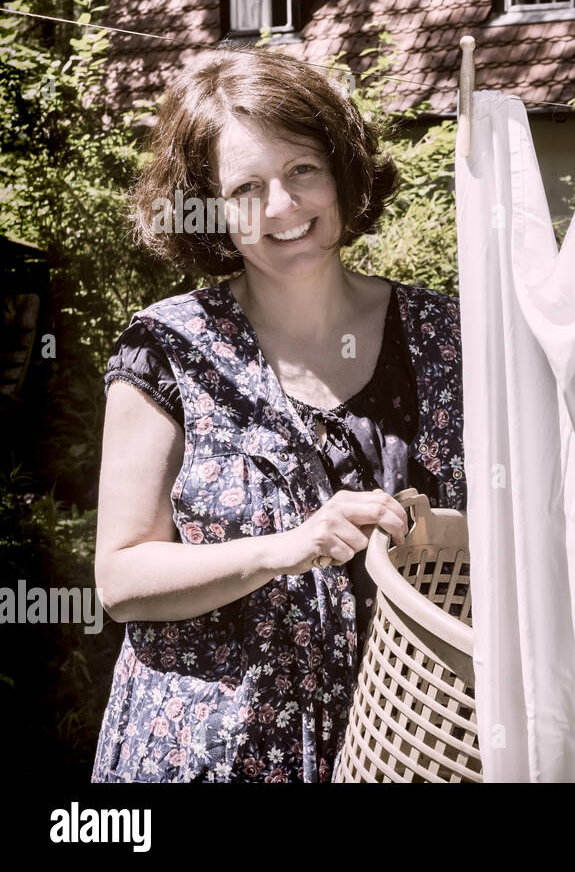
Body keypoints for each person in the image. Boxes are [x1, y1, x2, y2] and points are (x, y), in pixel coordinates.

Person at [90, 49, 465, 782]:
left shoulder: (445, 335)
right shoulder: (168, 348)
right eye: (246, 188)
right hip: (211, 753)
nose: (284, 209)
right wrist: (286, 548)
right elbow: (120, 578)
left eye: (302, 170)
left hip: (406, 743)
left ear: (341, 168)